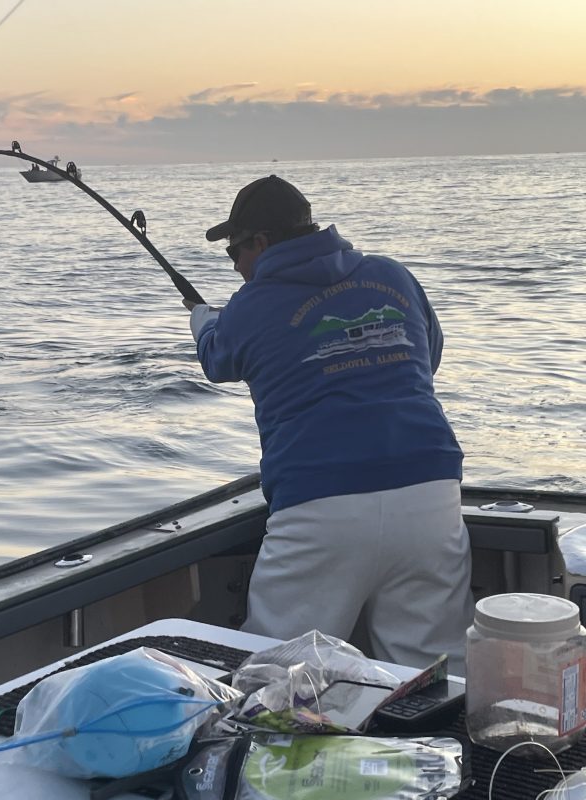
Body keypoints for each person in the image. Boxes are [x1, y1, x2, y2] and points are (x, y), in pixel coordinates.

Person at [186, 175, 474, 674]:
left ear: (260, 242)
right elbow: (427, 358)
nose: (235, 266)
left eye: (234, 252)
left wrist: (202, 320)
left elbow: (218, 360)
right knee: (435, 677)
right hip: (430, 497)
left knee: (281, 678)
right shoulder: (392, 275)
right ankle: (442, 752)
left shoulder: (249, 304)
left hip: (320, 507)